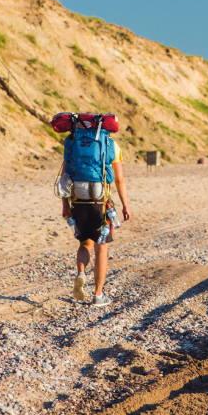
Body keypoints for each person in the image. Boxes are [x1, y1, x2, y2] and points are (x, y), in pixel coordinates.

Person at [58, 114, 133, 306]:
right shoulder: (111, 145)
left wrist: (65, 205)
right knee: (102, 247)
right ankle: (98, 295)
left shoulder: (72, 142)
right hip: (101, 201)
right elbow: (119, 179)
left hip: (77, 198)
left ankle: (81, 273)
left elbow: (64, 177)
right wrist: (125, 204)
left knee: (85, 243)